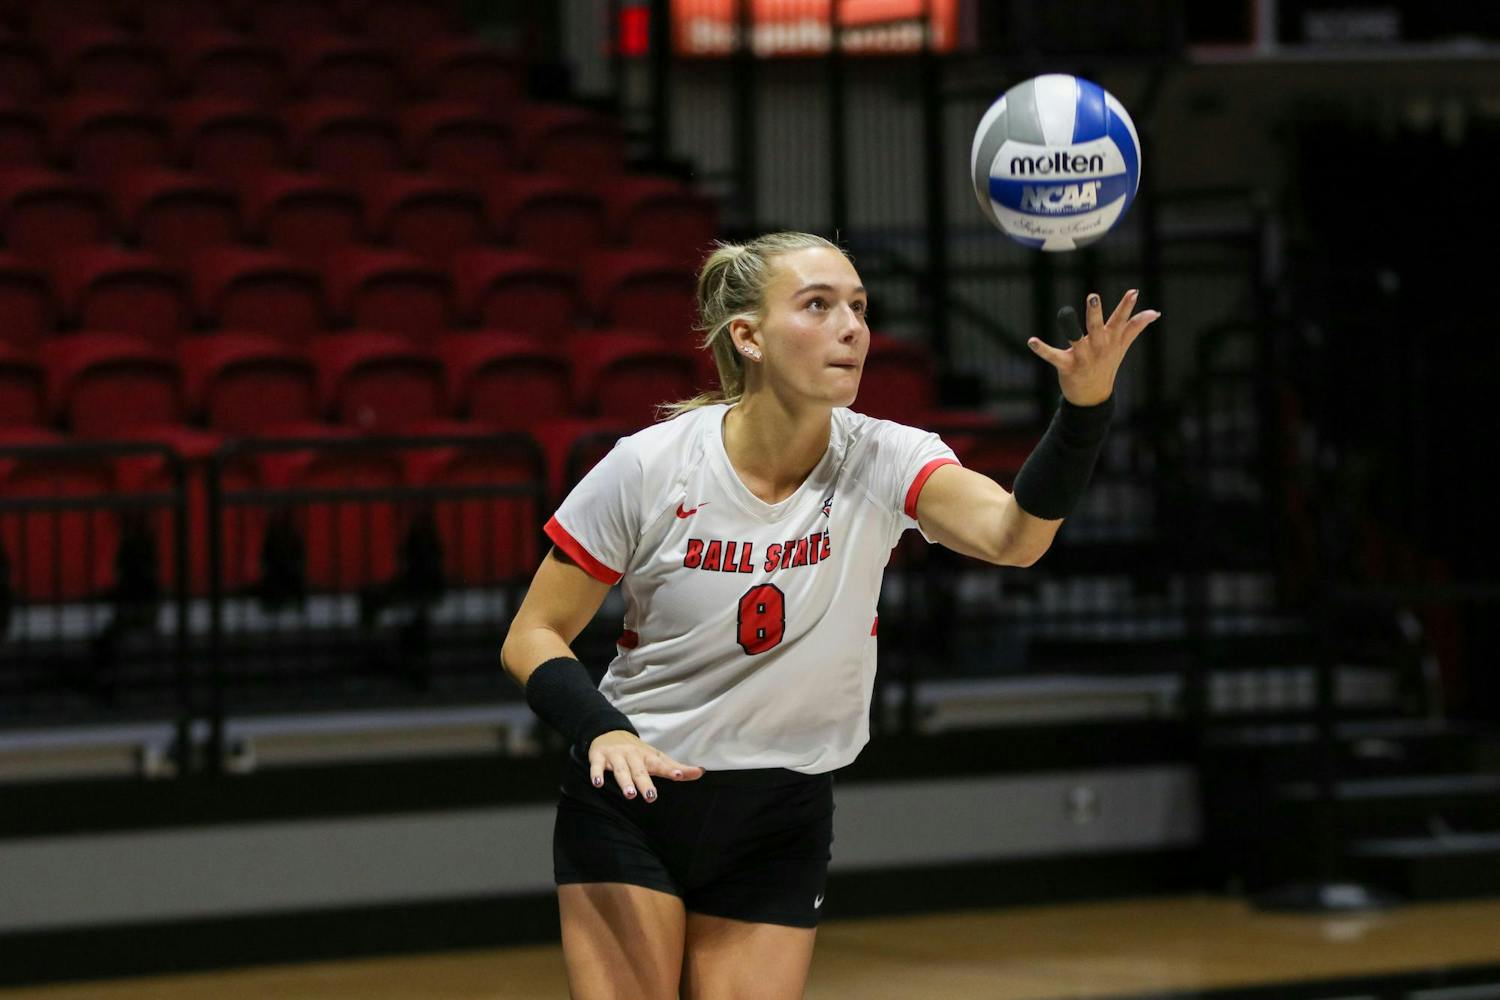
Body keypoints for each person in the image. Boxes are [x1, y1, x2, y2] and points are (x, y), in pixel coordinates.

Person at [500, 231, 1159, 999]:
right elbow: (531, 634)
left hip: (782, 811)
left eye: (859, 307)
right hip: (638, 800)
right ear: (747, 336)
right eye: (818, 305)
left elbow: (1015, 538)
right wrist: (601, 728)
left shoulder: (888, 457)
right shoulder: (650, 465)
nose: (852, 327)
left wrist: (1084, 411)